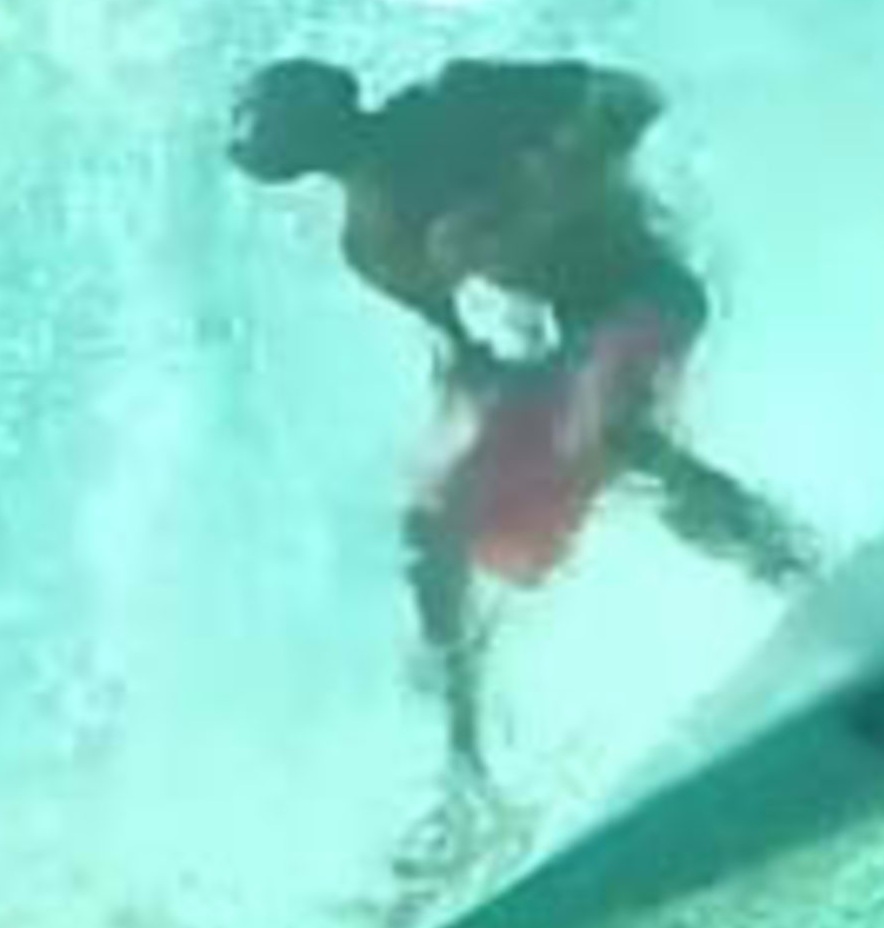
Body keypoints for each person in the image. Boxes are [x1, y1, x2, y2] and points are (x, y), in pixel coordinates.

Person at [227, 54, 819, 782]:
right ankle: (465, 767)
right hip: (570, 344)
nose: (315, 143)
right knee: (431, 530)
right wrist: (471, 442)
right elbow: (467, 353)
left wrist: (547, 186)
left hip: (648, 286)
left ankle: (805, 579)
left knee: (608, 423)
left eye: (304, 123)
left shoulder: (459, 99)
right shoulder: (373, 244)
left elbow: (635, 96)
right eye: (292, 141)